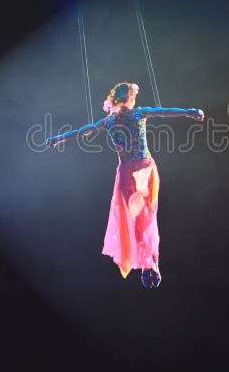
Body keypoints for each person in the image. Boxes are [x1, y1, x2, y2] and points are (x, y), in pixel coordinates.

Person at [45, 82, 204, 283]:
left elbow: (82, 131)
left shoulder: (112, 121)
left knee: (141, 217)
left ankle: (150, 262)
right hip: (139, 171)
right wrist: (190, 112)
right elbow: (164, 112)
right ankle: (150, 262)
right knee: (143, 217)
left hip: (135, 172)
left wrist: (59, 138)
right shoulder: (135, 114)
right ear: (129, 98)